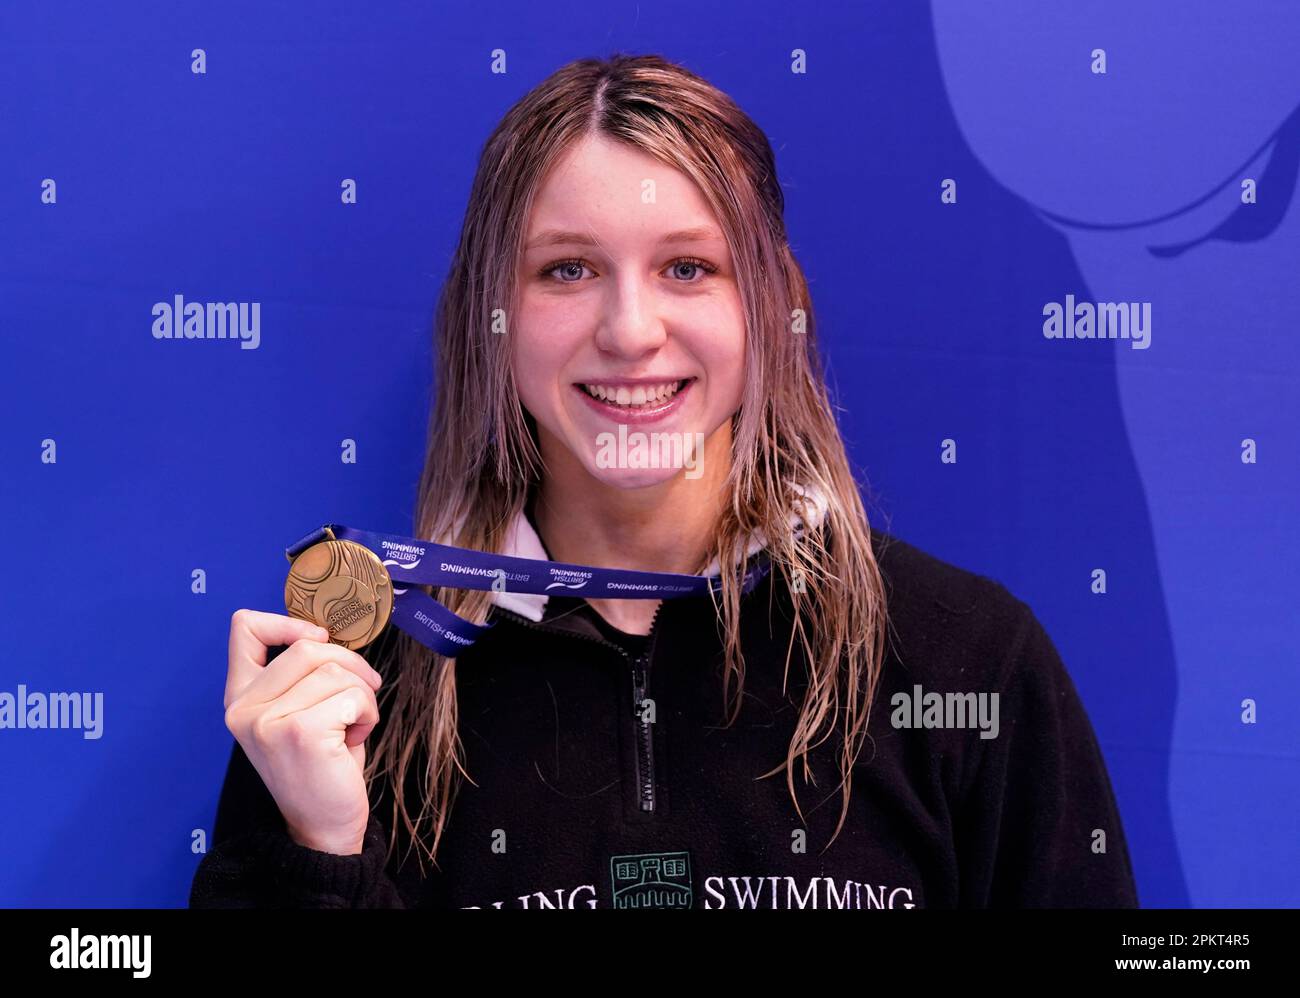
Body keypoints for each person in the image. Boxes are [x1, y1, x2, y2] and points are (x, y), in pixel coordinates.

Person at [189, 53, 1138, 910]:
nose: (631, 331)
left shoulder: (968, 661)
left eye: (689, 267)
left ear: (772, 307)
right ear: (494, 319)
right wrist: (321, 857)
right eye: (567, 270)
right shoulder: (350, 698)